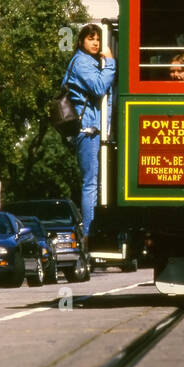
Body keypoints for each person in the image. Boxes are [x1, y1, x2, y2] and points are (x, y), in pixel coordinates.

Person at [63, 23, 116, 239]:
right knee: (90, 183)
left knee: (94, 181)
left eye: (98, 39)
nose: (95, 43)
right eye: (90, 39)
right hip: (87, 130)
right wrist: (110, 62)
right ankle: (89, 233)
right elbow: (98, 87)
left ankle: (93, 229)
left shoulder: (89, 61)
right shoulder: (82, 62)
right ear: (81, 41)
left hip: (93, 129)